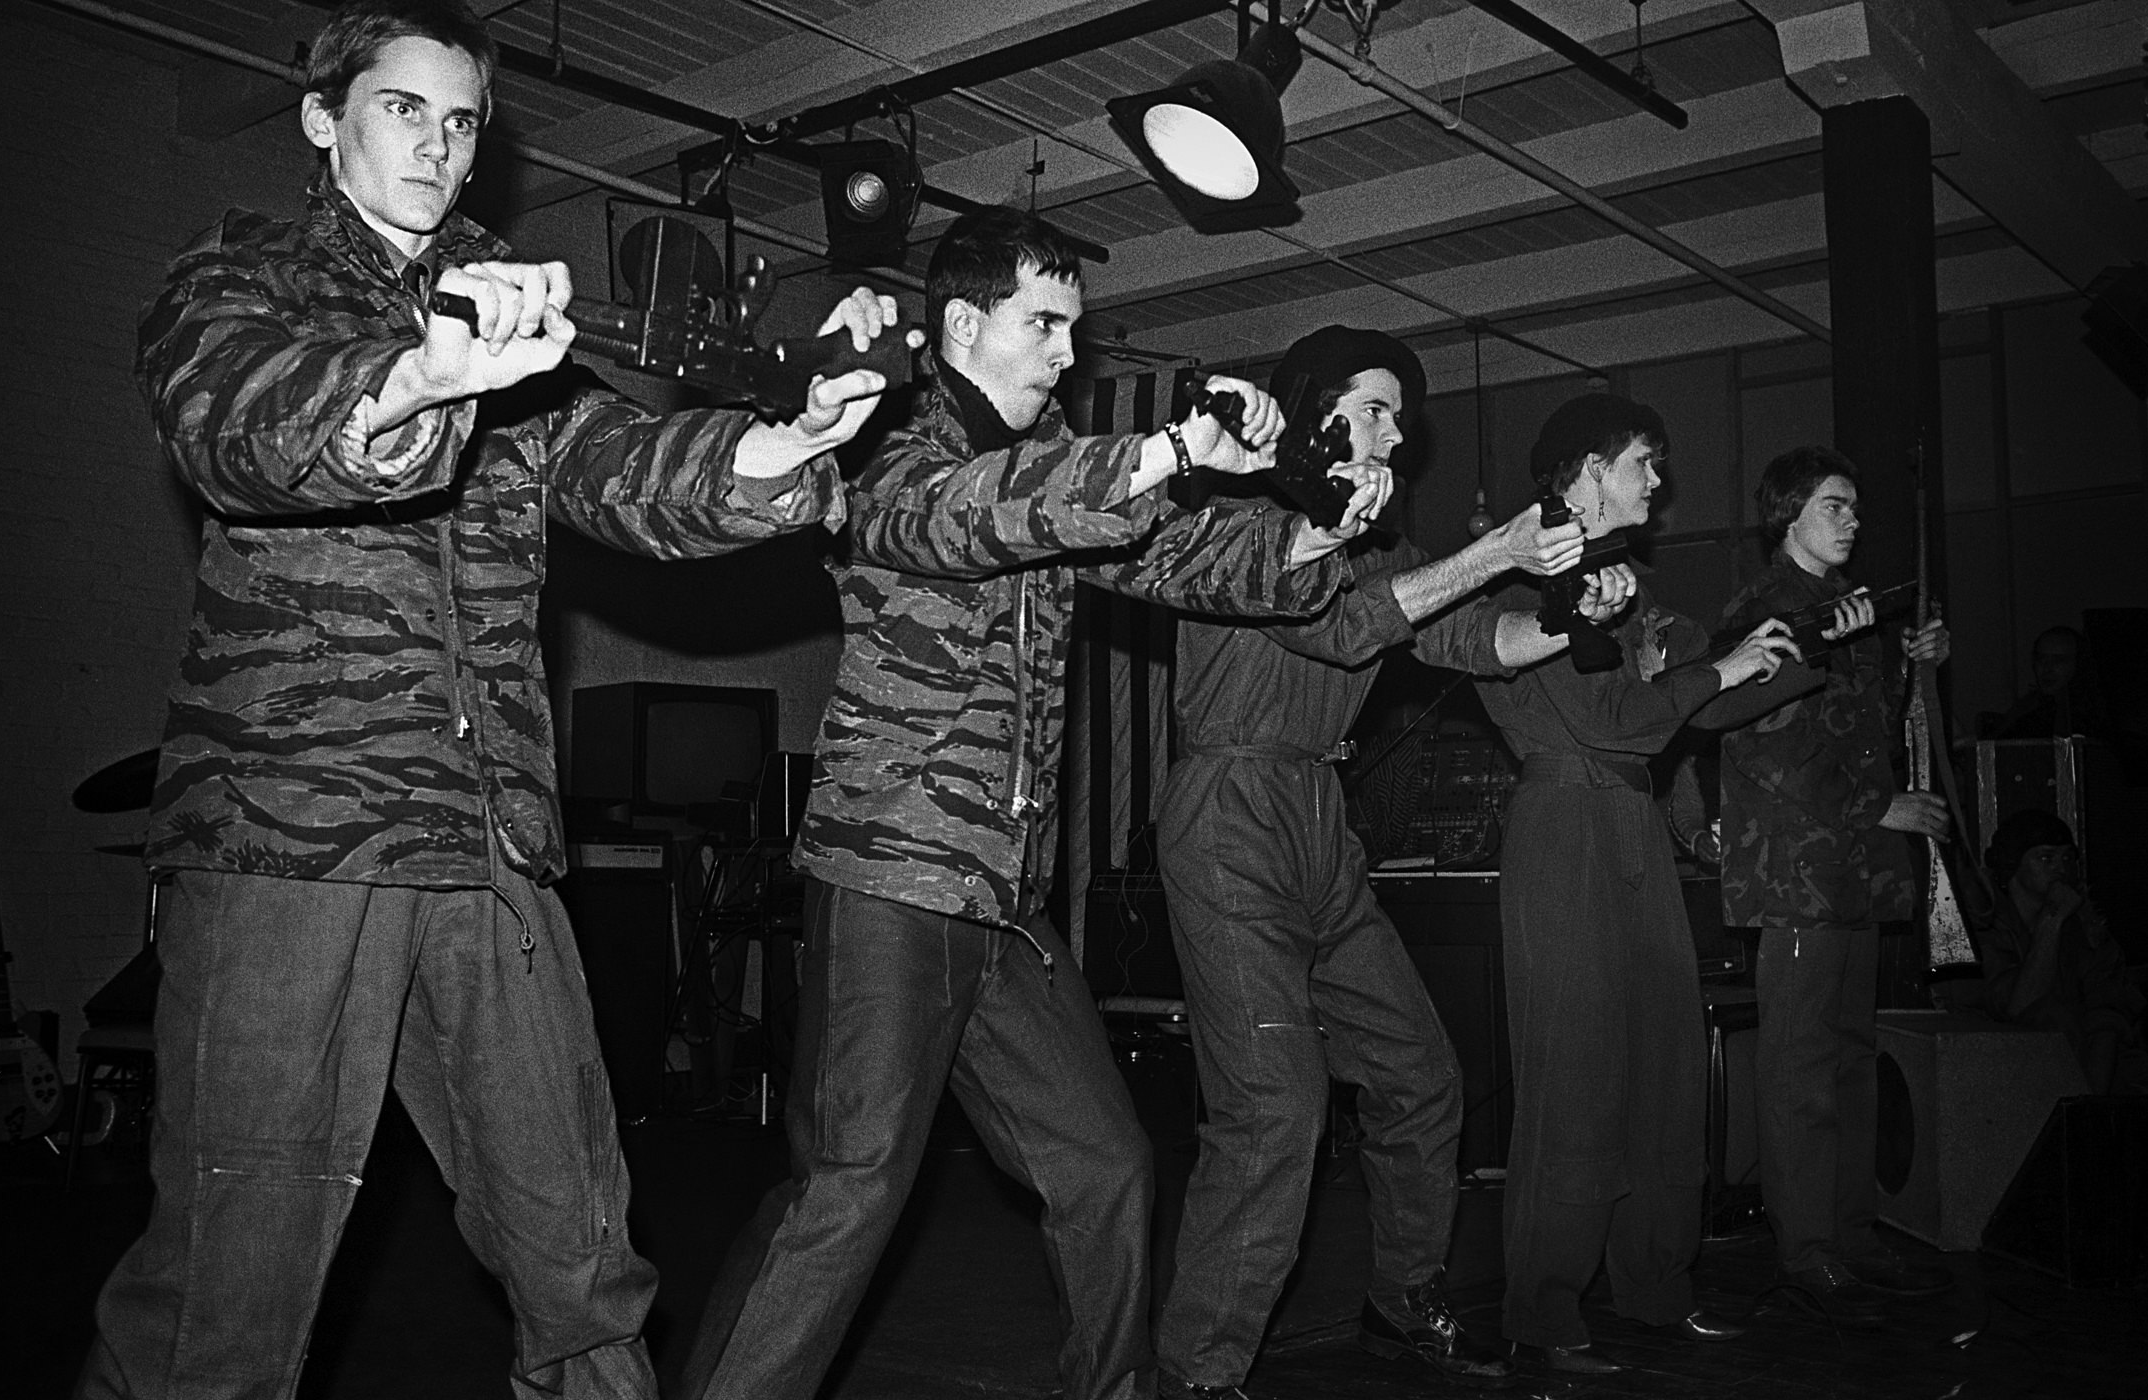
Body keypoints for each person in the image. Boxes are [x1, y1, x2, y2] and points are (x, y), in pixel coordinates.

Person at [77, 4, 911, 1396]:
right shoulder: (242, 280)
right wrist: (423, 372)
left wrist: (791, 436)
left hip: (483, 840)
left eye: (461, 121)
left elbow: (625, 473)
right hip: (297, 835)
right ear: (321, 117)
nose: (439, 146)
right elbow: (240, 428)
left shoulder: (510, 309)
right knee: (225, 1297)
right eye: (404, 108)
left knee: (579, 1261)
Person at [672, 206, 1366, 1400]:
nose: (1066, 352)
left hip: (998, 902)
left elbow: (1177, 562)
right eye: (1043, 324)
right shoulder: (893, 433)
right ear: (959, 322)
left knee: (1104, 1165)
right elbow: (955, 515)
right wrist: (1161, 451)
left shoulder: (1056, 473)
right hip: (892, 874)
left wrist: (1303, 528)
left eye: (1073, 329)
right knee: (849, 1188)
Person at [1152, 327, 1631, 1398]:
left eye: (1397, 416)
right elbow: (1341, 629)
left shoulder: (1373, 546)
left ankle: (1401, 1297)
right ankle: (1197, 1372)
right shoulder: (1242, 518)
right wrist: (1496, 551)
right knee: (1273, 1109)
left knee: (1419, 1076)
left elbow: (1464, 639)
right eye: (1372, 409)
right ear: (1314, 412)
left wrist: (1563, 611)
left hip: (1316, 812)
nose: (1392, 431)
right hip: (1230, 809)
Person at [1469, 394, 1799, 1375]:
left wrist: (1780, 666)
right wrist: (1717, 669)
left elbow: (1651, 719)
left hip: (1629, 827)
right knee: (1572, 1078)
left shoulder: (1609, 586)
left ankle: (1654, 1282)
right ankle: (1538, 1306)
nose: (1657, 482)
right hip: (1567, 828)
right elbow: (1612, 722)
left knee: (1659, 1066)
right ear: (1585, 471)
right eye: (1642, 463)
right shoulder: (1516, 581)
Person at [1708, 446, 1954, 1330]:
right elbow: (1764, 749)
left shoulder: (1850, 615)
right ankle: (1807, 1250)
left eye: (1854, 507)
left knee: (1850, 1064)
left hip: (1850, 877)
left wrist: (1918, 661)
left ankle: (1851, 1238)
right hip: (1797, 876)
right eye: (1834, 505)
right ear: (1789, 514)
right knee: (1803, 1071)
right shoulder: (1769, 611)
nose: (1852, 520)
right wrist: (1878, 807)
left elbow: (1860, 730)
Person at [1978, 810, 2147, 1094]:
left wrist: (2093, 1098)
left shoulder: (2086, 929)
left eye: (2068, 858)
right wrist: (2052, 920)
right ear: (2013, 865)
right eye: (2046, 858)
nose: (2061, 868)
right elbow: (2019, 1007)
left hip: (2087, 1075)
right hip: (2003, 1069)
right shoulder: (1987, 927)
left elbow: (2109, 1008)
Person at [1984, 625, 2106, 740]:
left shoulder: (2095, 714)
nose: (2047, 668)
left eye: (2059, 660)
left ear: (2079, 663)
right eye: (2041, 659)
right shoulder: (2025, 708)